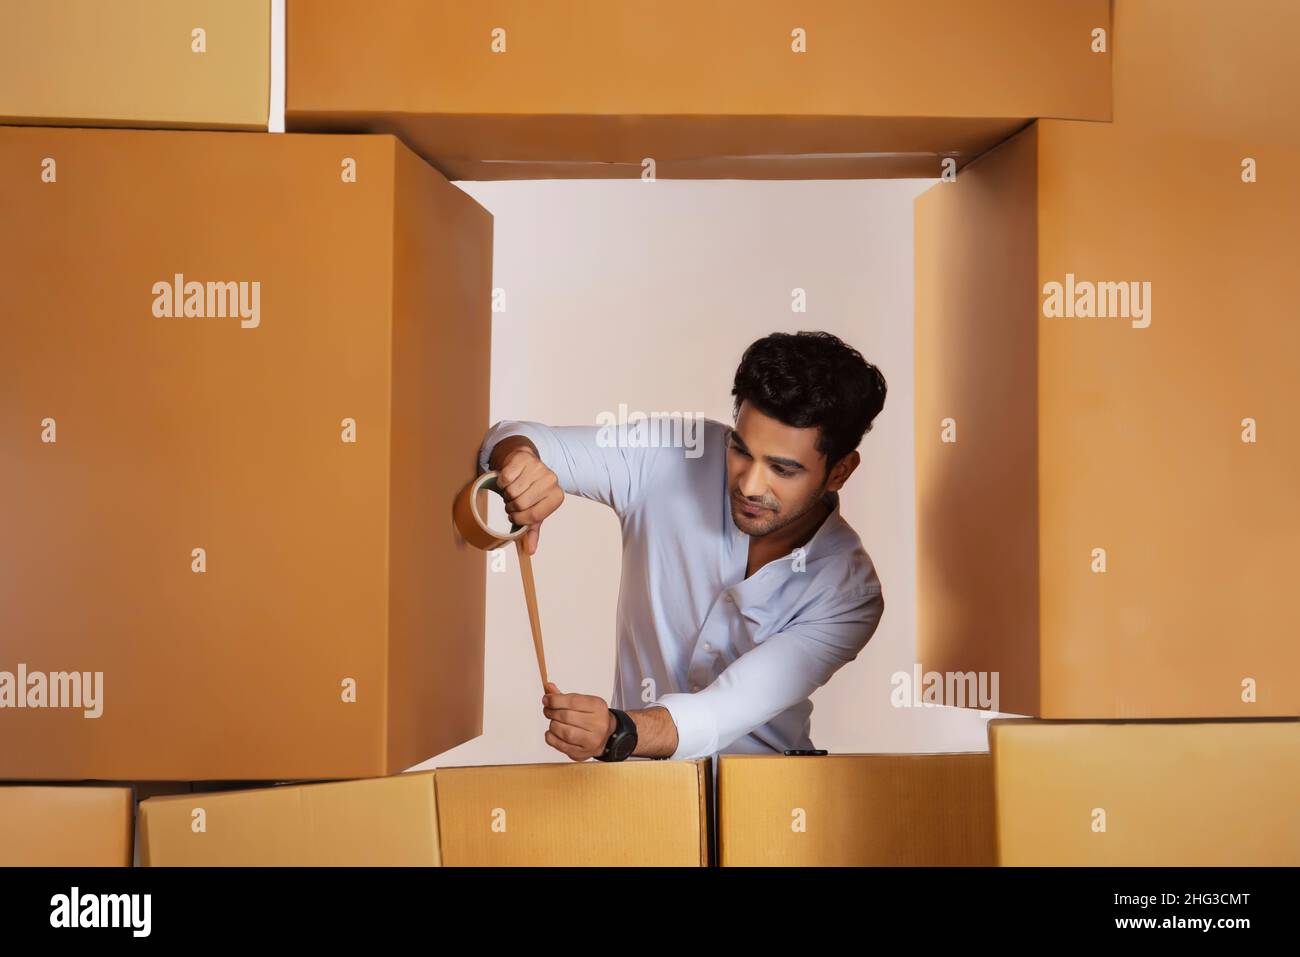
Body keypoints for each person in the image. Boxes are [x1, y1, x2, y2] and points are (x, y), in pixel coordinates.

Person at [477, 331, 887, 762]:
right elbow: (517, 438)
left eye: (782, 469)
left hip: (769, 802)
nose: (749, 484)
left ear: (840, 471)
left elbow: (724, 709)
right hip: (640, 794)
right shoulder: (669, 455)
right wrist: (522, 463)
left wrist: (618, 731)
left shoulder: (849, 593)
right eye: (741, 451)